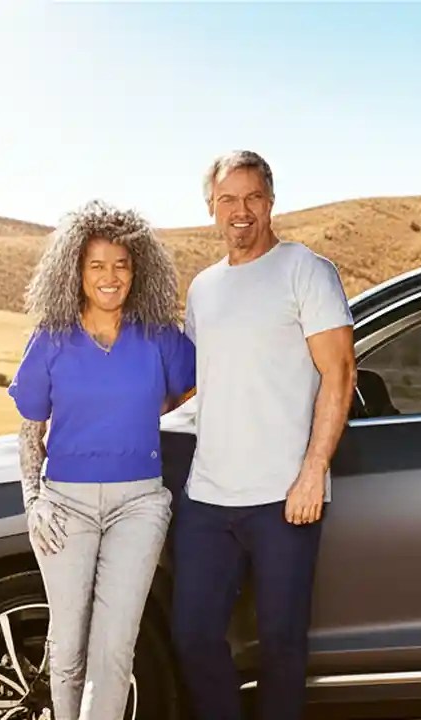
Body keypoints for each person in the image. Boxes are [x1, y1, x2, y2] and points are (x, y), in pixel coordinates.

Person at [171, 150, 356, 720]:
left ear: (271, 202)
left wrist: (313, 472)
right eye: (228, 199)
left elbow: (340, 372)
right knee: (192, 635)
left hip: (284, 498)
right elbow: (192, 383)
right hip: (208, 498)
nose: (241, 211)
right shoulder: (203, 288)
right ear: (211, 207)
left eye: (253, 197)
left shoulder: (306, 270)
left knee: (281, 645)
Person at [8, 200, 196, 720]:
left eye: (121, 265)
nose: (110, 277)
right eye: (97, 265)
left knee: (113, 650)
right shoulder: (51, 338)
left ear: (138, 271)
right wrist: (33, 502)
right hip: (63, 508)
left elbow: (192, 385)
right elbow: (30, 427)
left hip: (139, 505)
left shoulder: (158, 335)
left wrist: (146, 409)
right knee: (68, 651)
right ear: (76, 270)